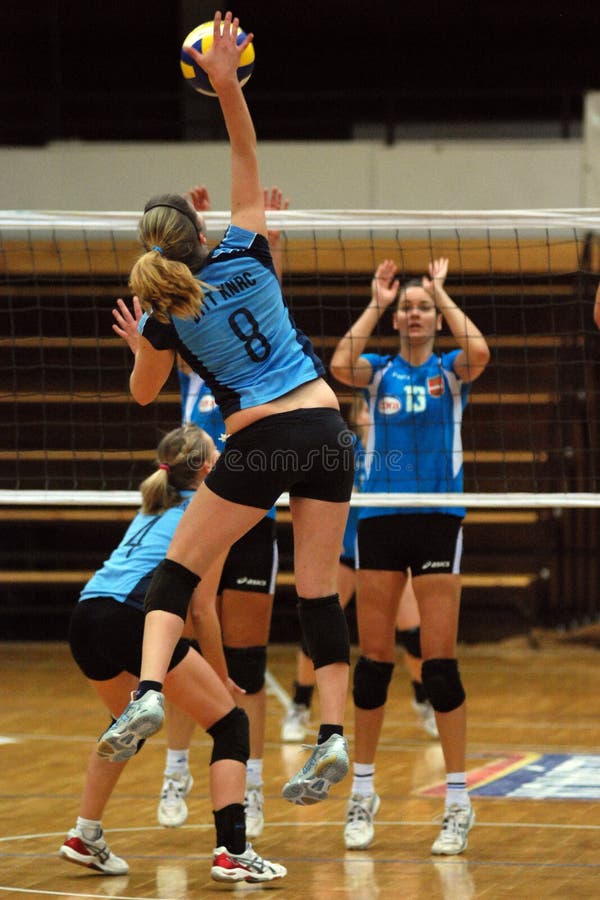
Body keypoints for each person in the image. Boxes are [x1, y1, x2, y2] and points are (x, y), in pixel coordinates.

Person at [97, 10, 353, 809]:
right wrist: (224, 82)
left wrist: (141, 343)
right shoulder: (249, 249)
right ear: (199, 229)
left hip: (264, 441)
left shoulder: (168, 315)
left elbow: (145, 396)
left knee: (175, 571)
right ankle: (333, 738)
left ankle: (146, 690)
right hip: (329, 432)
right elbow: (245, 149)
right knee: (316, 595)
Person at [59, 424, 286, 884]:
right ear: (204, 467)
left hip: (86, 616)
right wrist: (222, 678)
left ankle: (85, 836)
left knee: (124, 726)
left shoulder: (154, 504)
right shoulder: (210, 514)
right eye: (216, 449)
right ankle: (233, 852)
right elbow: (202, 610)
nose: (223, 453)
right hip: (131, 618)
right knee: (230, 724)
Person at [330, 257, 490, 855]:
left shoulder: (451, 373)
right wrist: (377, 301)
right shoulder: (377, 374)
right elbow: (339, 365)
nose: (415, 313)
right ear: (397, 318)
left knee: (438, 664)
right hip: (378, 520)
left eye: (422, 308)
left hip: (437, 520)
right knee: (373, 662)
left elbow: (481, 352)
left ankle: (457, 802)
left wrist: (442, 294)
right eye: (409, 307)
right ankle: (362, 795)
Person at [146, 184, 288, 838]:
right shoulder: (181, 321)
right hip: (198, 502)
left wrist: (270, 242)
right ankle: (176, 769)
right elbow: (148, 371)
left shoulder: (243, 323)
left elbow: (263, 297)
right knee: (181, 656)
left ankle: (251, 785)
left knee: (248, 661)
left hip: (253, 491)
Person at [281, 395, 439, 743]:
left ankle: (423, 701)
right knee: (318, 630)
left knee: (414, 633)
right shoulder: (345, 446)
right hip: (347, 550)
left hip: (387, 551)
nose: (373, 412)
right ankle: (300, 704)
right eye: (367, 407)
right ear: (356, 415)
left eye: (377, 406)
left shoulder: (394, 449)